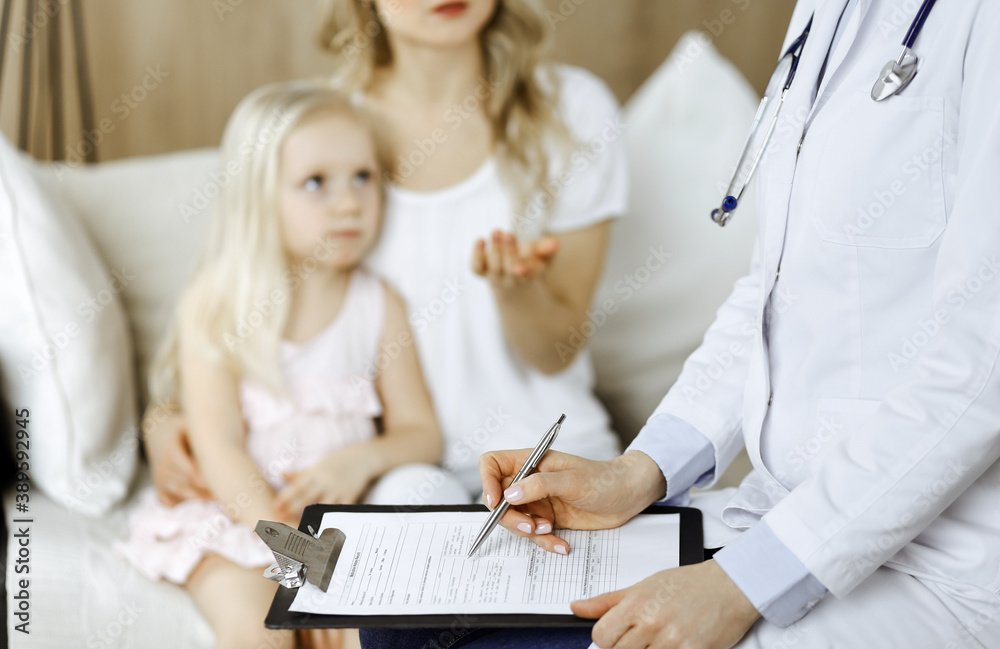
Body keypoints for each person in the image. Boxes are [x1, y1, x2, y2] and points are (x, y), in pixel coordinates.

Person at [367, 0, 1000, 647]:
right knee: (403, 625)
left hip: (931, 564)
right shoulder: (826, 10)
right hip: (771, 511)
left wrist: (743, 582)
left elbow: (983, 372)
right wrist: (637, 472)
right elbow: (771, 292)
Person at [144, 0, 627, 510]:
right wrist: (168, 419)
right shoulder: (329, 130)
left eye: (363, 180)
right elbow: (245, 287)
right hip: (398, 481)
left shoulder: (571, 110)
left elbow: (556, 352)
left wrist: (516, 293)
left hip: (545, 459)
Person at [116, 82, 452, 649]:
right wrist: (288, 551)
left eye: (363, 177)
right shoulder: (217, 304)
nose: (349, 202)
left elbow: (421, 434)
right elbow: (218, 445)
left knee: (358, 634)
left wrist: (359, 462)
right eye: (316, 182)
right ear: (259, 193)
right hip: (238, 520)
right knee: (255, 631)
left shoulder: (378, 304)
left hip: (335, 531)